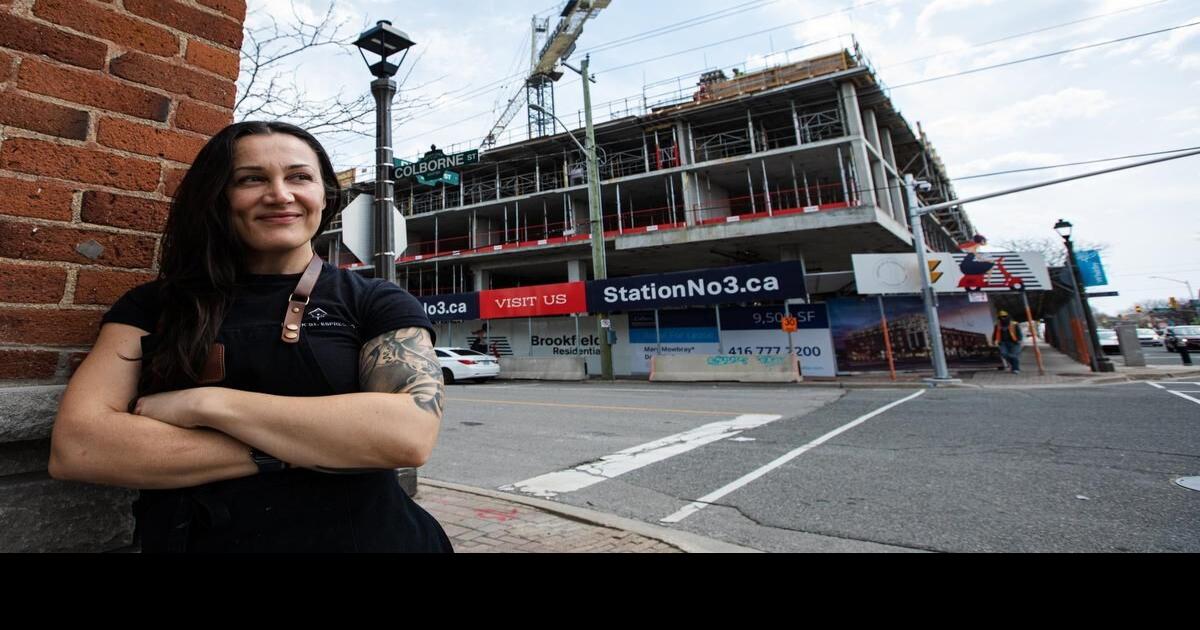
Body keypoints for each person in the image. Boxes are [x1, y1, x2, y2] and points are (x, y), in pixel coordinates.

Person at [49, 121, 452, 553]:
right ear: (219, 196)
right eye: (251, 179)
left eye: (299, 176)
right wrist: (308, 446)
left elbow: (407, 434)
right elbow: (80, 447)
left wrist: (207, 404)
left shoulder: (376, 301)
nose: (280, 194)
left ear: (325, 197)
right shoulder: (152, 308)